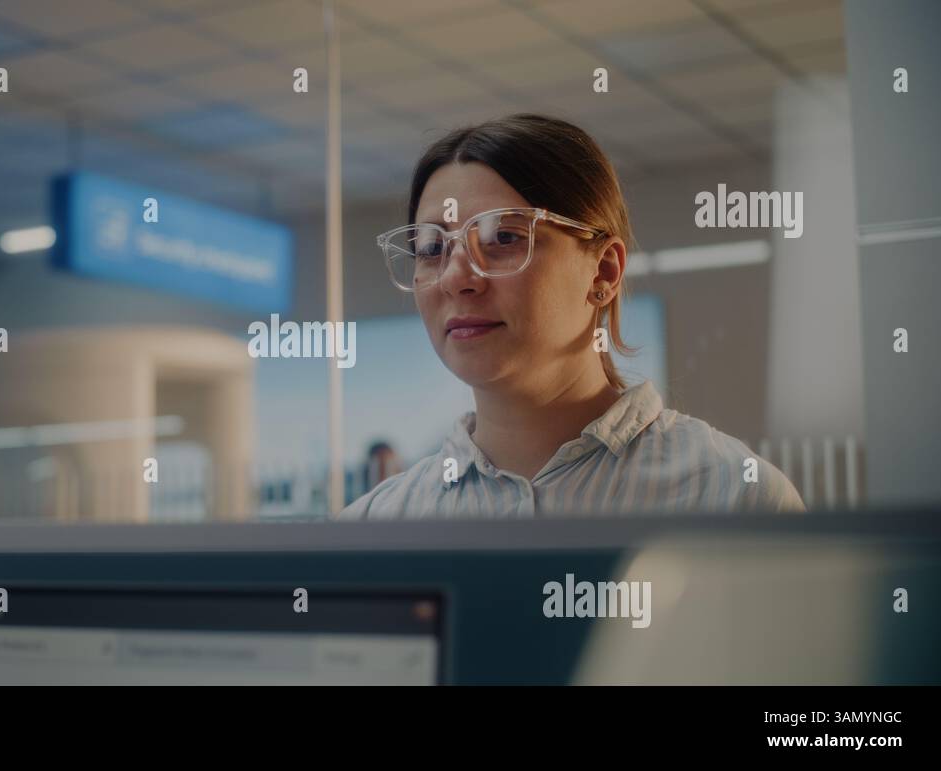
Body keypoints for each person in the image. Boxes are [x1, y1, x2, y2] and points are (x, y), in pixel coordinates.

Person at [340, 114, 804, 519]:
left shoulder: (733, 498)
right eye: (431, 248)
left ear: (603, 270)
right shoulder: (377, 529)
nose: (457, 278)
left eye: (503, 237)